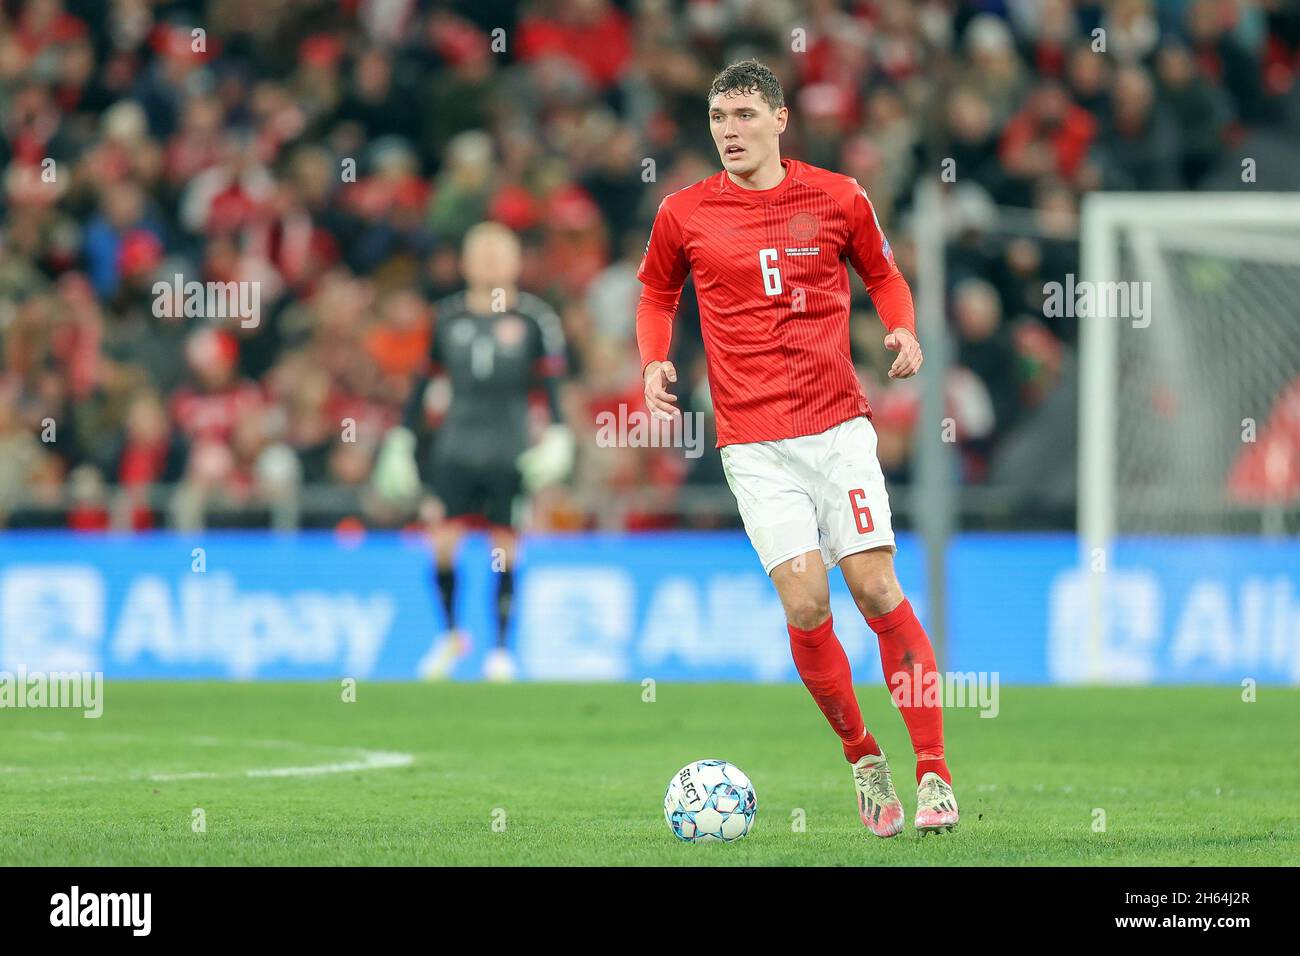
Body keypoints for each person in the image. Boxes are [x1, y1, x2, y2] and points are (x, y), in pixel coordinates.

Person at [635, 59, 957, 837]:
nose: (729, 132)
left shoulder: (838, 195)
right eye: (718, 119)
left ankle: (935, 774)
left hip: (839, 427)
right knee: (808, 603)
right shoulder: (684, 213)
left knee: (876, 588)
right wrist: (653, 359)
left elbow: (884, 274)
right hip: (754, 445)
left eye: (744, 115)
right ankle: (863, 759)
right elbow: (655, 291)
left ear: (780, 120)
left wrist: (904, 328)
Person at [379, 222, 570, 681]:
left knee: (504, 547)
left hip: (509, 449)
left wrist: (560, 434)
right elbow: (423, 387)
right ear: (463, 262)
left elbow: (552, 387)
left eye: (497, 251)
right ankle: (449, 636)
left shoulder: (534, 319)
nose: (487, 259)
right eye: (478, 250)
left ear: (515, 261)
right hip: (455, 447)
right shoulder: (446, 318)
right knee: (441, 545)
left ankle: (501, 650)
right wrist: (402, 440)